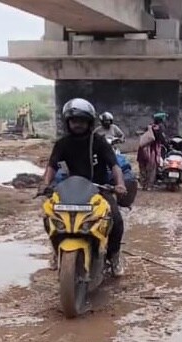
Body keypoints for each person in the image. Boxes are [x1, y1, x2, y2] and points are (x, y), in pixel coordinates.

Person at [41, 98, 128, 276]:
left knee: (116, 220)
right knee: (48, 214)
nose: (77, 124)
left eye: (82, 120)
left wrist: (119, 184)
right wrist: (44, 184)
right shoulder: (62, 143)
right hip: (71, 191)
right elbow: (52, 165)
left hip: (99, 190)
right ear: (68, 122)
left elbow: (114, 165)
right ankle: (56, 250)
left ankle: (114, 256)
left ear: (89, 122)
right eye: (74, 121)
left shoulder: (99, 142)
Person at [136, 112, 169, 189]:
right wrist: (167, 145)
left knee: (142, 167)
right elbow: (162, 139)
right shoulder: (159, 128)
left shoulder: (149, 126)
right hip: (151, 150)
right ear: (161, 120)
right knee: (151, 168)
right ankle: (149, 185)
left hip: (142, 149)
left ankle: (142, 184)